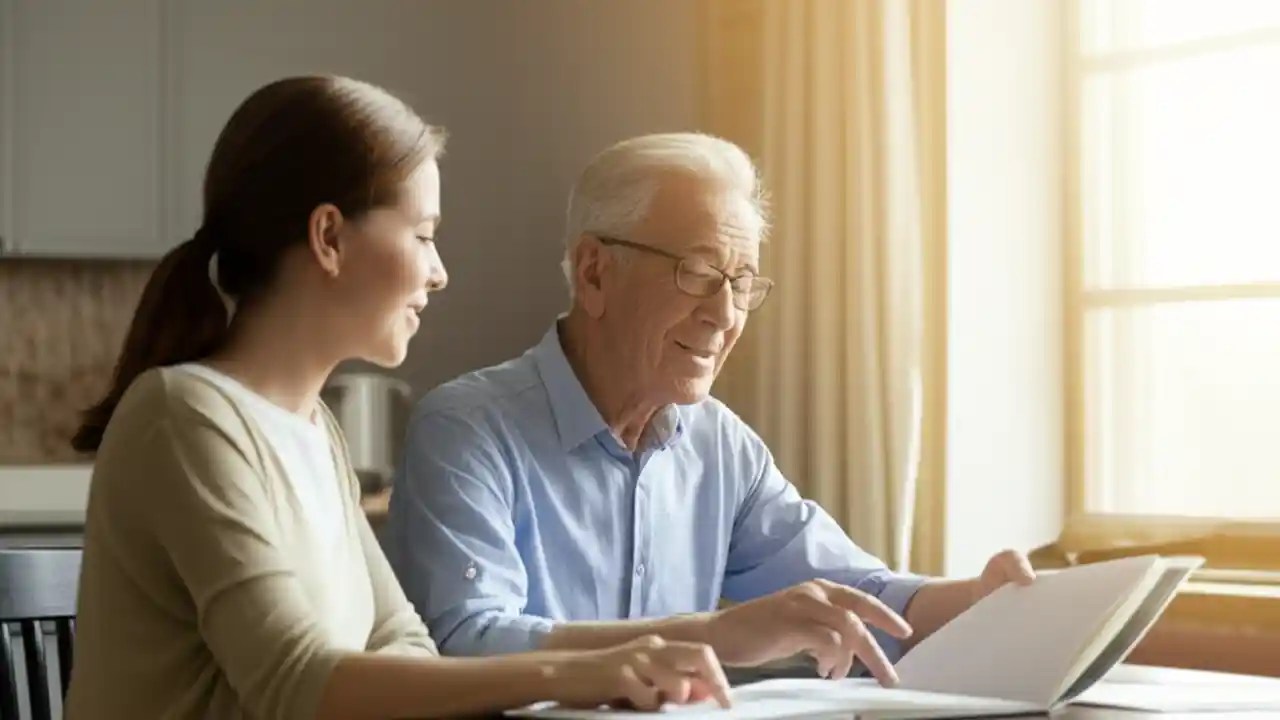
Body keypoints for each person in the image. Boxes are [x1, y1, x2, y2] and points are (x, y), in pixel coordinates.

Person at [65, 79, 730, 720]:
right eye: (422, 234)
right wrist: (576, 675)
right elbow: (301, 685)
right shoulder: (184, 418)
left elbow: (402, 644)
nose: (438, 272)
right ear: (329, 238)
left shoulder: (314, 430)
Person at [386, 133, 1037, 685]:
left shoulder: (720, 446)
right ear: (593, 273)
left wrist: (984, 603)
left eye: (743, 282)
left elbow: (860, 601)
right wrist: (717, 637)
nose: (725, 316)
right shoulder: (467, 430)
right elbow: (467, 644)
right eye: (698, 273)